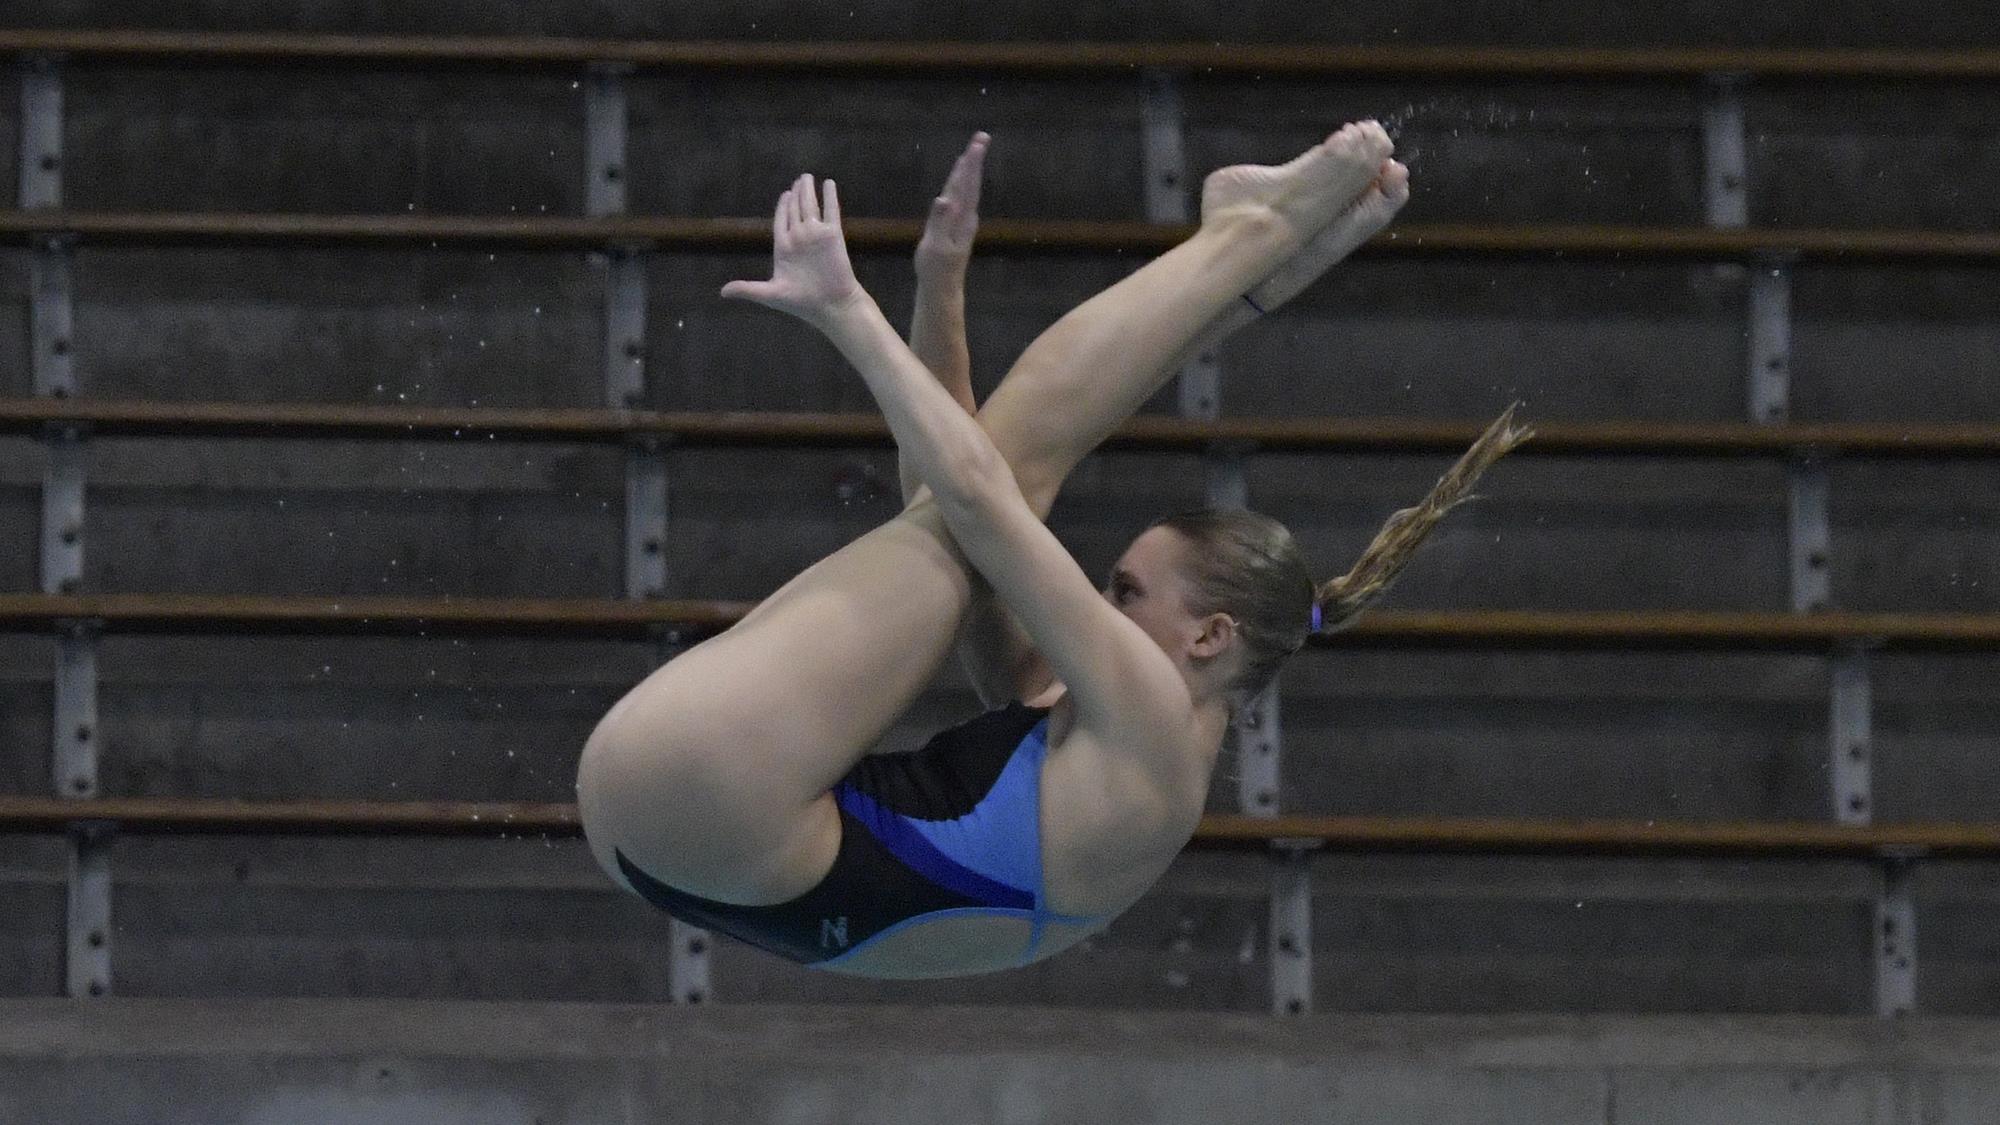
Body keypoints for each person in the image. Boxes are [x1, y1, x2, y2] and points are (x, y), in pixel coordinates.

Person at [577, 122, 1531, 979]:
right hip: (685, 844)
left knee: (1014, 484)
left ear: (1209, 636)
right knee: (989, 501)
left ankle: (1247, 243)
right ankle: (1245, 260)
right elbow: (951, 502)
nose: (1096, 605)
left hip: (712, 801)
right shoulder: (1103, 734)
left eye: (1127, 591)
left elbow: (982, 498)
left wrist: (848, 313)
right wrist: (940, 286)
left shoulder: (1152, 725)